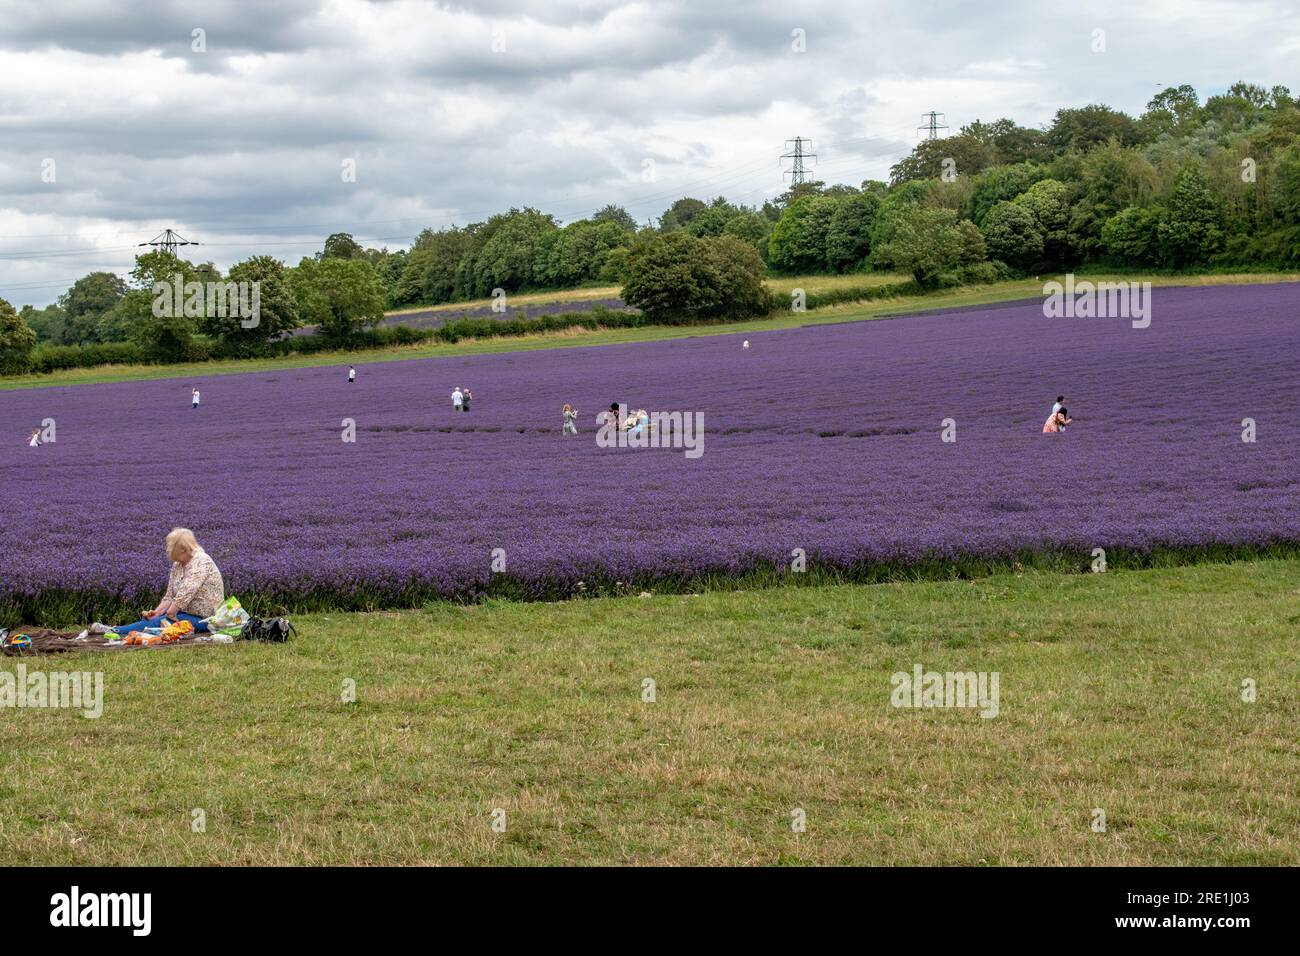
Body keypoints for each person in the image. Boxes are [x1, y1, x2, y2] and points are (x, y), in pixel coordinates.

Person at [102, 528, 225, 635]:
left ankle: (115, 630)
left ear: (182, 549)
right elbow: (170, 596)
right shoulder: (178, 564)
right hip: (184, 613)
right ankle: (117, 630)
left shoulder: (201, 561)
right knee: (151, 620)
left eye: (170, 546)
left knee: (162, 622)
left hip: (205, 619)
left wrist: (170, 613)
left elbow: (187, 591)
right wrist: (157, 612)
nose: (167, 549)